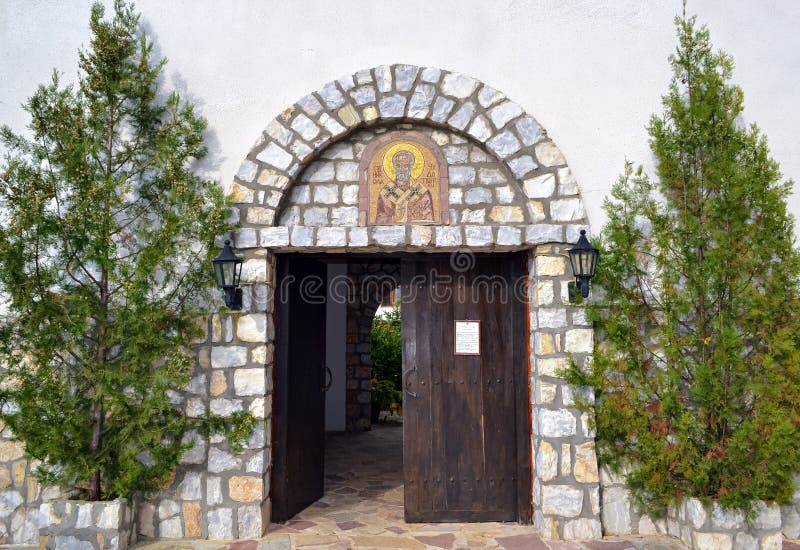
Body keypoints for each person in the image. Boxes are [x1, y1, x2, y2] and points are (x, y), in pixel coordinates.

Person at [374, 149, 435, 224]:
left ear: (411, 166)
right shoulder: (386, 192)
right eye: (398, 165)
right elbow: (379, 219)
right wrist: (393, 219)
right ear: (394, 166)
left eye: (405, 165)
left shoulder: (421, 192)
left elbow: (429, 219)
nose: (402, 169)